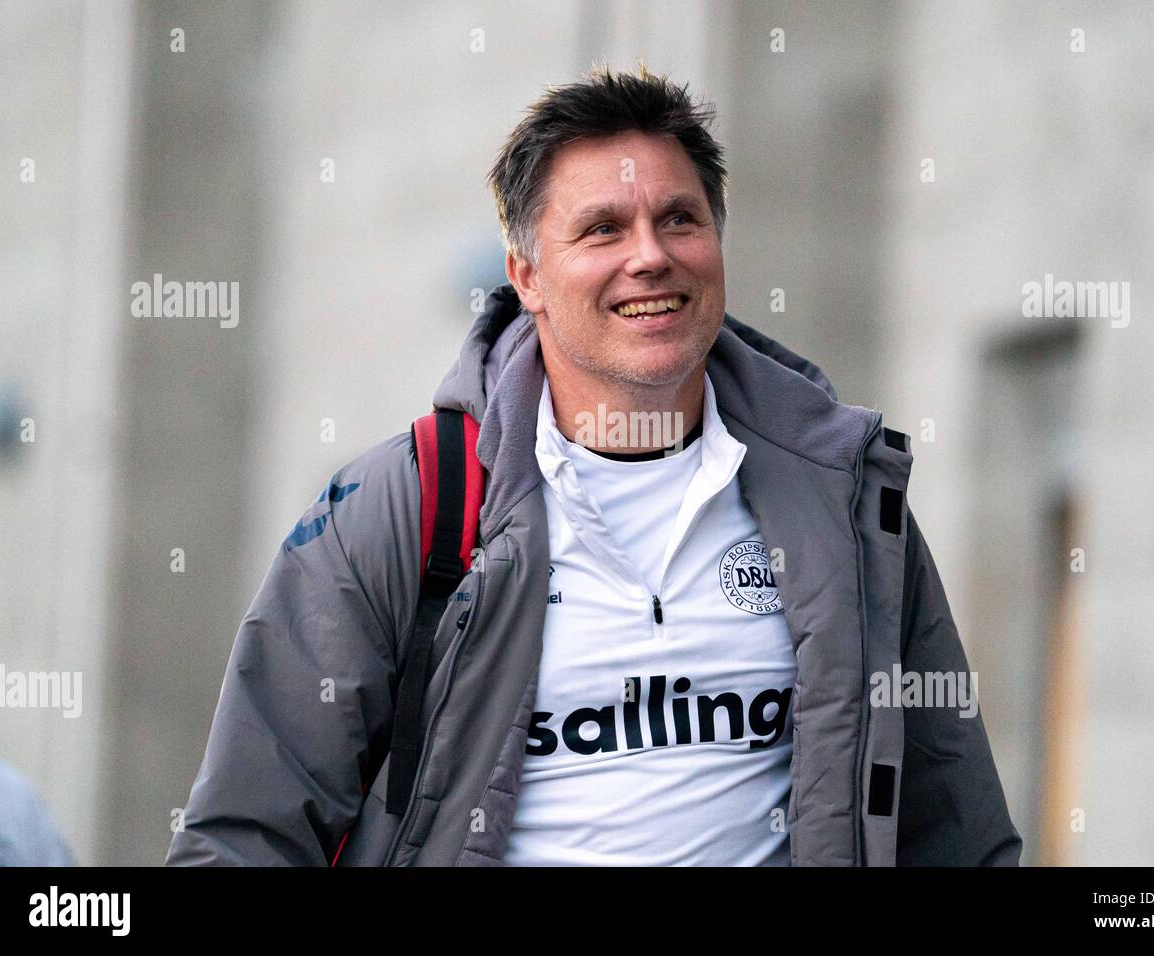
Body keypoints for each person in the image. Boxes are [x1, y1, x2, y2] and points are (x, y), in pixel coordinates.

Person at [167, 65, 1021, 867]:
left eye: (679, 218)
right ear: (526, 276)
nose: (649, 255)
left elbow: (956, 828)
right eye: (603, 228)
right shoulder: (405, 505)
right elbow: (246, 834)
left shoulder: (843, 495)